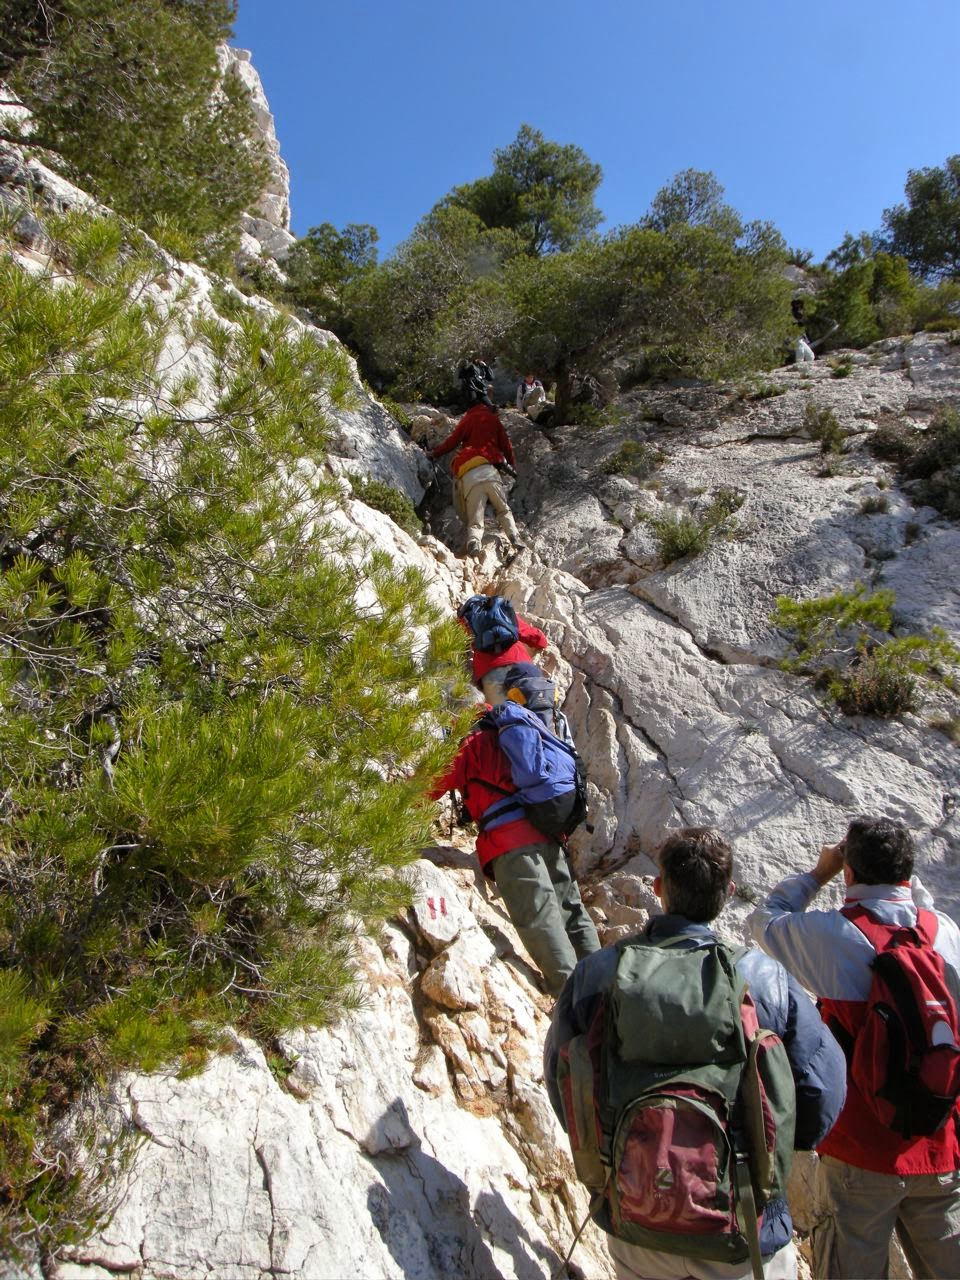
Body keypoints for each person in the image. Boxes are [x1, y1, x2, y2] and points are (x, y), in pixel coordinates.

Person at [545, 827, 846, 1280]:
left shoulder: (596, 974)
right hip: (744, 1227)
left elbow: (561, 1079)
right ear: (726, 893)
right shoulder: (763, 980)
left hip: (636, 1215)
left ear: (659, 888)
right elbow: (822, 1095)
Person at [748, 816, 960, 1279]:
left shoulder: (837, 936)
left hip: (861, 1149)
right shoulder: (943, 933)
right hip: (940, 1141)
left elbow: (764, 922)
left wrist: (818, 873)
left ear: (849, 871)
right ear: (908, 873)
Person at [429, 709, 600, 996]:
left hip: (511, 843)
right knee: (572, 911)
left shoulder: (470, 744)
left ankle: (575, 1002)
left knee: (540, 918)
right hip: (549, 831)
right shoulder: (522, 730)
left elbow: (430, 786)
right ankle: (603, 988)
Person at [428, 404, 524, 557]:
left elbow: (452, 441)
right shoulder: (493, 420)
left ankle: (474, 542)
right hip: (490, 471)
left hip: (469, 477)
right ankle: (514, 537)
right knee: (503, 508)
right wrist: (512, 465)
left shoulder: (468, 419)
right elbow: (506, 445)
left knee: (475, 518)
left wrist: (434, 454)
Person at [458, 600, 549, 705]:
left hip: (491, 673)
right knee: (537, 712)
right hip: (520, 666)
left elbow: (457, 650)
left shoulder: (465, 621)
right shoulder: (501, 612)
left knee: (503, 716)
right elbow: (535, 638)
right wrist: (541, 641)